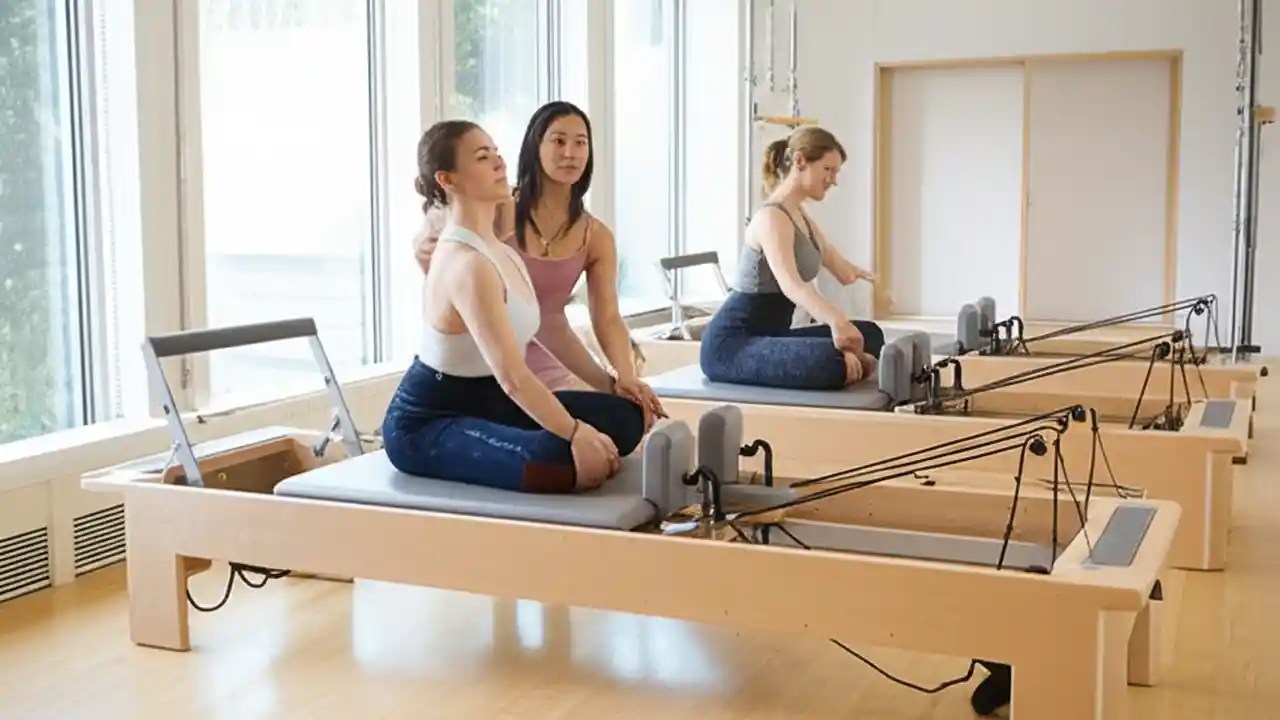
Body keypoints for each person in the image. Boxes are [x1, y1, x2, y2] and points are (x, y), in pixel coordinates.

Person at [381, 119, 647, 493]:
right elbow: (513, 377)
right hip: (431, 418)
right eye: (482, 157)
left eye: (496, 152)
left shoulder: (503, 251)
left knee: (625, 418)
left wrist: (615, 385)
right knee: (563, 457)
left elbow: (551, 327)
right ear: (447, 179)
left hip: (490, 398)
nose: (499, 162)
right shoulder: (467, 263)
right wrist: (576, 433)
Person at [413, 101, 665, 427]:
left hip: (551, 364)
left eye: (580, 143)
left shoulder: (596, 236)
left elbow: (607, 318)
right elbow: (439, 231)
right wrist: (424, 238)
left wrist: (624, 378)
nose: (570, 153)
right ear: (535, 145)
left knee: (627, 418)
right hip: (485, 368)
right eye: (558, 141)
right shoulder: (498, 206)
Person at [699, 126, 888, 390]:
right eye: (828, 169)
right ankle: (849, 364)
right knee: (830, 361)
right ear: (800, 161)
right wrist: (836, 321)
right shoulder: (771, 218)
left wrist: (872, 281)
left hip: (774, 337)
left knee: (870, 335)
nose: (833, 180)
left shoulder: (800, 215)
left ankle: (853, 363)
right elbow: (792, 285)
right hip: (733, 344)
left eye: (836, 172)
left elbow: (841, 270)